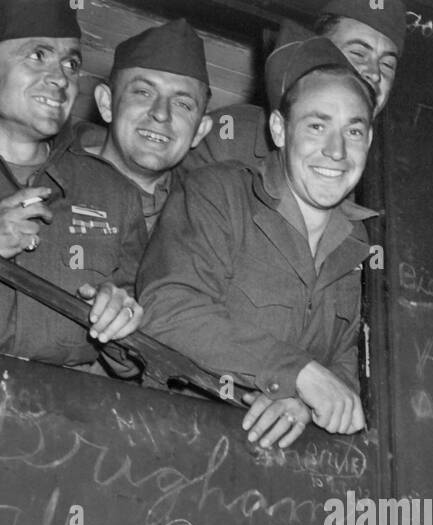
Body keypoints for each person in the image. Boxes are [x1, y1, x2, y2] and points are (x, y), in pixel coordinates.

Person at [138, 34, 375, 449]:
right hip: (177, 442)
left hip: (285, 474)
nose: (336, 151)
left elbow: (348, 356)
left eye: (353, 132)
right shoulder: (219, 193)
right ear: (280, 130)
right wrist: (298, 372)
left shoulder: (360, 243)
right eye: (317, 126)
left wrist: (307, 402)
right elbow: (166, 307)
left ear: (368, 141)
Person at [0, 0, 146, 367]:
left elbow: (138, 361)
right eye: (37, 55)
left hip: (57, 414)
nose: (61, 78)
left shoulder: (114, 195)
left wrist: (121, 321)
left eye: (71, 63)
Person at [188, 0, 405, 170]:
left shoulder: (368, 176)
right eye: (358, 53)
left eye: (387, 65)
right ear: (316, 53)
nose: (375, 74)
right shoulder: (230, 139)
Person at [78, 19, 212, 234]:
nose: (161, 113)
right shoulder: (52, 179)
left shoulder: (208, 221)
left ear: (199, 131)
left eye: (182, 104)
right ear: (106, 103)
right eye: (143, 93)